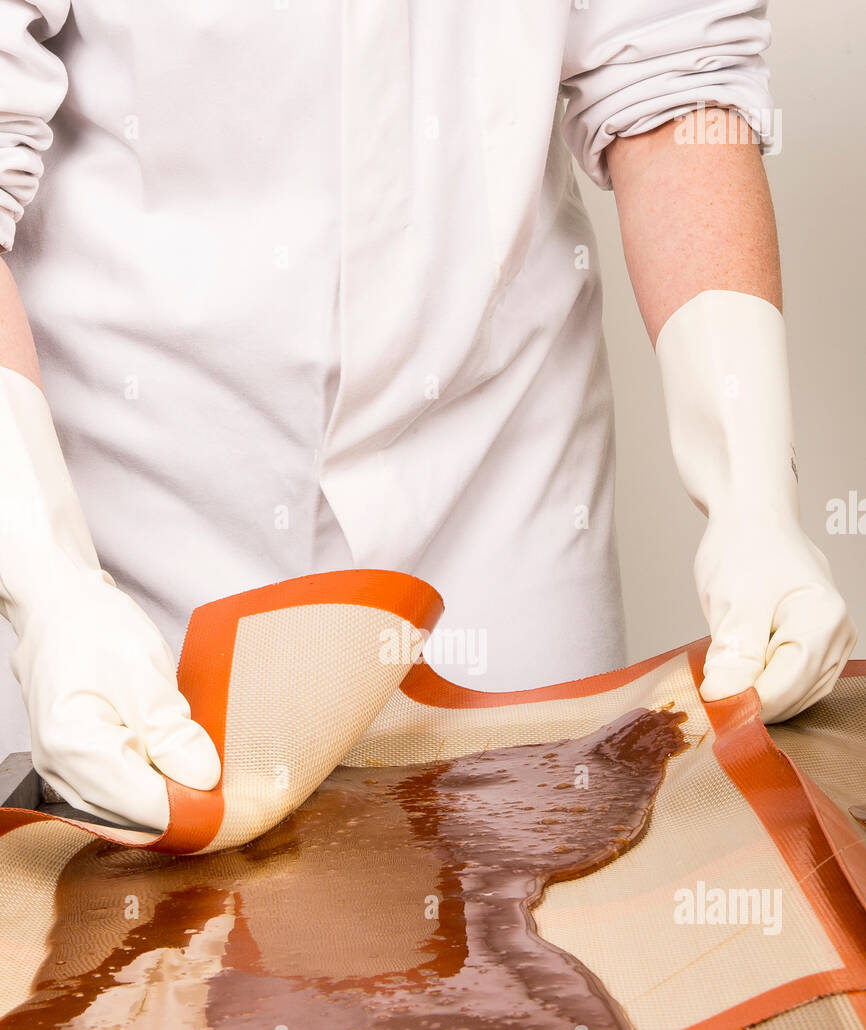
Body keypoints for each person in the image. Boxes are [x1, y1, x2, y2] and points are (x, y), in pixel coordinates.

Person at [0, 0, 855, 830]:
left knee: (544, 911)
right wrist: (46, 584)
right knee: (131, 954)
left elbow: (669, 75)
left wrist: (752, 498)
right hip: (120, 509)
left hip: (499, 494)